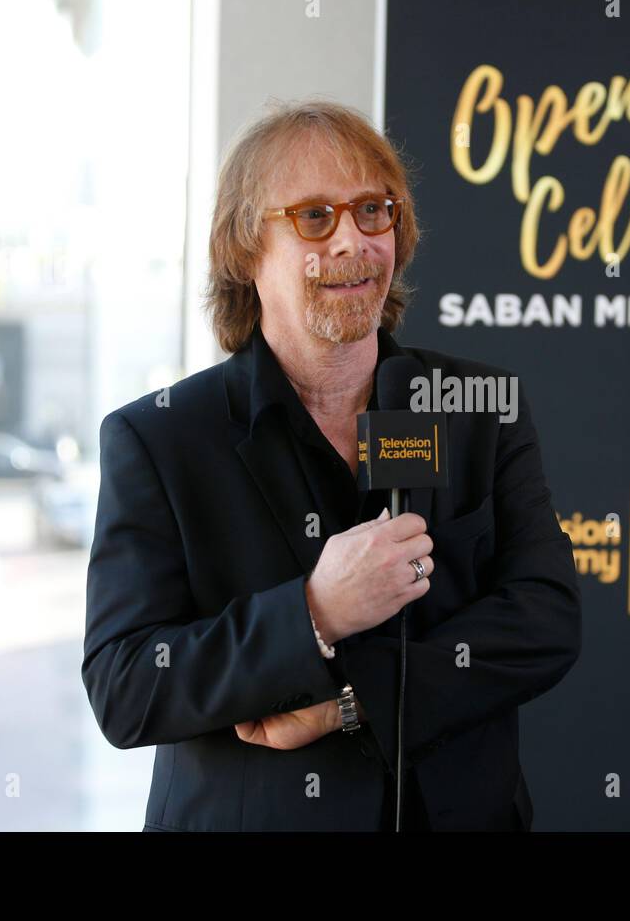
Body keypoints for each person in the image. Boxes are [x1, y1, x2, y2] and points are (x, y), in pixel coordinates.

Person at [81, 98, 581, 831]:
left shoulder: (477, 407)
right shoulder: (160, 439)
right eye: (314, 217)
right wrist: (312, 613)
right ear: (247, 250)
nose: (352, 240)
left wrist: (349, 706)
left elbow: (545, 619)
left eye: (373, 211)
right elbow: (126, 685)